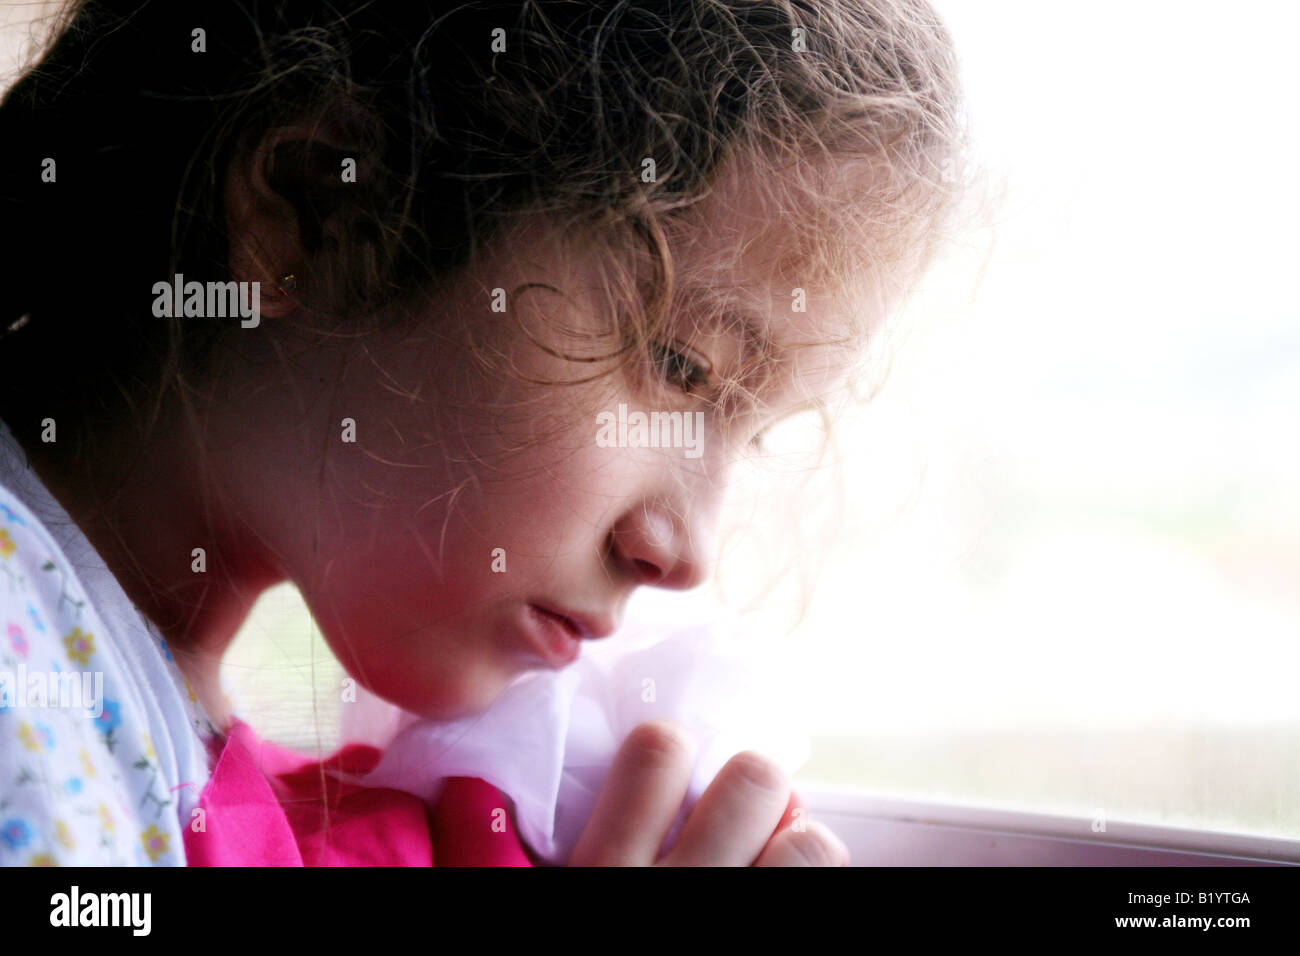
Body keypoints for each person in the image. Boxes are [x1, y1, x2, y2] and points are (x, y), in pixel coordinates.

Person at [0, 0, 965, 865]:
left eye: (749, 435)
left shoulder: (170, 736)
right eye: (682, 365)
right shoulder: (23, 690)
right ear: (318, 208)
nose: (689, 555)